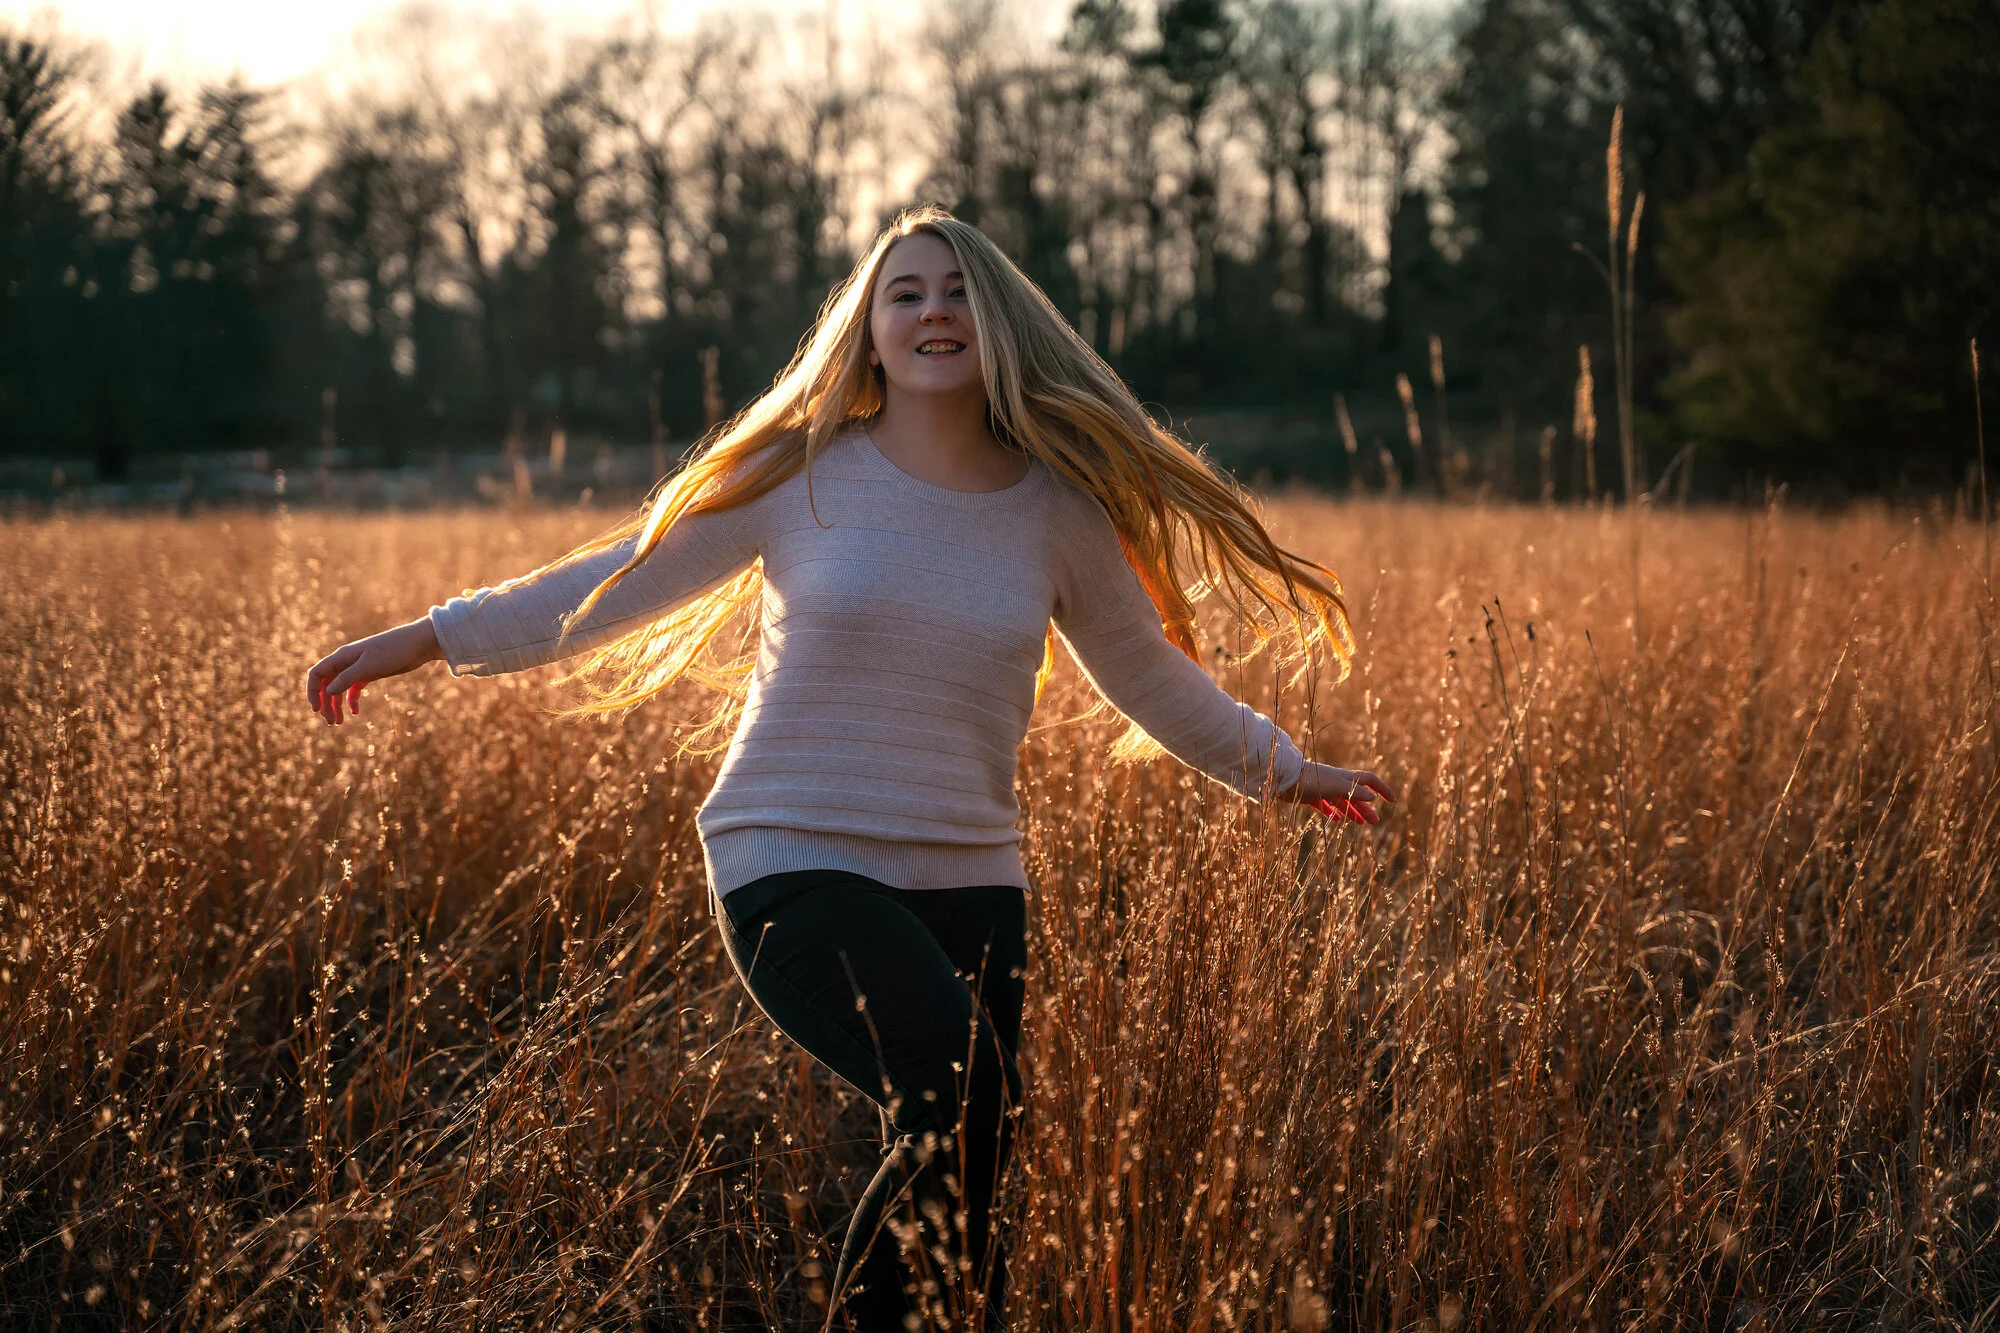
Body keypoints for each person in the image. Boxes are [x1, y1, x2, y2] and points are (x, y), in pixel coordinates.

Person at [303, 204, 1397, 1332]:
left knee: (970, 1161)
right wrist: (425, 637)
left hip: (973, 879)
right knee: (958, 1089)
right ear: (867, 331)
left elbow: (1147, 677)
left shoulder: (1057, 511)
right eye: (905, 292)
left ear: (1003, 322)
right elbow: (604, 586)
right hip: (793, 855)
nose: (933, 311)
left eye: (958, 290)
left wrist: (1286, 768)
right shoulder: (802, 476)